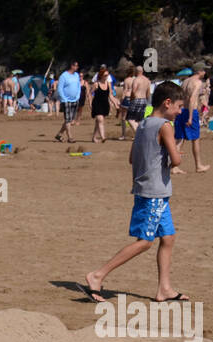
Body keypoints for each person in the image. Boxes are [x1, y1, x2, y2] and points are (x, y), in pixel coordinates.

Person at [83, 80, 185, 305]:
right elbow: (175, 160)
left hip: (148, 189)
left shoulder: (144, 124)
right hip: (154, 192)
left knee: (168, 238)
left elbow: (131, 158)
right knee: (145, 241)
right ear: (167, 103)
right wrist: (177, 151)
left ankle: (164, 289)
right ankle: (98, 275)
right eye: (178, 106)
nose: (180, 111)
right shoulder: (165, 126)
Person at [173, 63, 208, 173]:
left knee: (179, 139)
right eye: (204, 70)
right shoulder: (197, 82)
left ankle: (174, 166)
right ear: (199, 71)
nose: (205, 72)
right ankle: (198, 165)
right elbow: (192, 99)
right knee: (195, 139)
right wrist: (190, 117)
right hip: (190, 111)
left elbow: (180, 97)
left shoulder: (185, 82)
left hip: (181, 110)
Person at [54, 60, 81, 142]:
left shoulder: (76, 75)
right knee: (68, 119)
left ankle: (59, 134)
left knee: (70, 120)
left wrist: (78, 96)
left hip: (75, 100)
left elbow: (78, 86)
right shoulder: (64, 76)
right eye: (76, 66)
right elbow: (60, 89)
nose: (77, 67)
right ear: (72, 66)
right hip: (66, 100)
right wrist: (64, 99)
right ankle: (70, 137)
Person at [123, 65, 151, 138]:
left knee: (129, 119)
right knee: (139, 119)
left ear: (136, 71)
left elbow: (133, 91)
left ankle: (138, 134)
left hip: (136, 99)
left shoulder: (136, 79)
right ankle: (142, 134)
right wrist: (147, 101)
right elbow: (148, 93)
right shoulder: (147, 80)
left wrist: (132, 99)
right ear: (142, 71)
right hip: (144, 100)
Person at [91, 65, 112, 142]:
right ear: (101, 75)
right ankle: (103, 137)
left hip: (105, 104)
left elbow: (110, 95)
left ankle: (94, 137)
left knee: (98, 122)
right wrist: (90, 103)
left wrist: (115, 103)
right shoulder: (96, 84)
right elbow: (90, 93)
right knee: (100, 119)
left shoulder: (108, 84)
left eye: (108, 75)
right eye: (105, 75)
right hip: (97, 104)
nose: (107, 76)